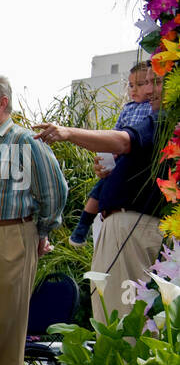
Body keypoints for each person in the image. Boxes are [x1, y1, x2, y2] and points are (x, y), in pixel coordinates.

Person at [35, 65, 164, 324]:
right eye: (146, 82)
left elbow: (124, 141)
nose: (149, 90)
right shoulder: (157, 118)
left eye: (157, 82)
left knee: (119, 317)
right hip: (126, 225)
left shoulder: (163, 118)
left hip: (131, 226)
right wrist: (110, 170)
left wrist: (68, 133)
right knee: (116, 311)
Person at [0, 75, 68, 365]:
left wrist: (41, 231)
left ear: (2, 103)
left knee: (7, 326)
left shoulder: (25, 141)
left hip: (12, 234)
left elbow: (55, 190)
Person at [68, 62, 157, 246]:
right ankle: (83, 224)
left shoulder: (153, 111)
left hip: (135, 212)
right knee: (99, 187)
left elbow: (126, 140)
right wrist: (106, 156)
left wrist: (68, 133)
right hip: (118, 164)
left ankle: (84, 224)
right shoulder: (128, 108)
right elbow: (115, 136)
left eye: (143, 83)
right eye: (131, 85)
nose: (138, 90)